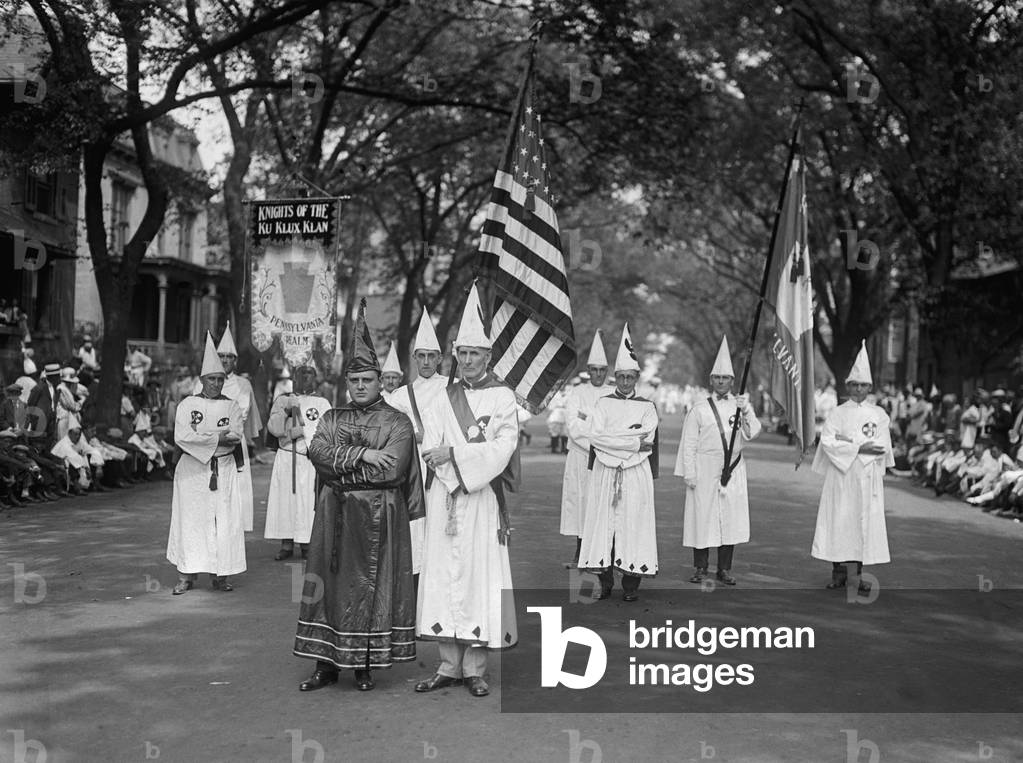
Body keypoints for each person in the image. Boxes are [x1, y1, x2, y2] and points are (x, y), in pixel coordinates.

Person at [294, 299, 425, 693]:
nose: (361, 386)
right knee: (327, 588)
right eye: (354, 381)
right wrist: (363, 453)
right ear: (347, 383)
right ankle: (325, 665)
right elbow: (317, 453)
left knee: (372, 588)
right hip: (335, 514)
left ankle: (364, 663)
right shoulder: (332, 417)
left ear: (379, 380)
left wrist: (342, 463)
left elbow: (394, 469)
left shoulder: (398, 421)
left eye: (367, 380)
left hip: (379, 515)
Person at [414, 284, 518, 699]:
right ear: (455, 355)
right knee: (443, 575)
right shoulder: (443, 396)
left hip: (480, 498)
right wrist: (450, 465)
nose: (470, 360)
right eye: (464, 353)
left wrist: (454, 458)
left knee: (478, 577)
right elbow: (429, 447)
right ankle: (447, 665)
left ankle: (475, 668)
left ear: (489, 356)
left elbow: (502, 449)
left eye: (477, 353)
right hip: (446, 499)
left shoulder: (503, 396)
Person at [578, 323, 660, 601]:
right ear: (616, 377)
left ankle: (630, 586)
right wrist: (632, 442)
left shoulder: (647, 407)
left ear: (636, 377)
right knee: (604, 526)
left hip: (636, 474)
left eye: (630, 377)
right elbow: (595, 437)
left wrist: (620, 442)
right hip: (605, 472)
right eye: (621, 377)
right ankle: (605, 582)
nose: (625, 382)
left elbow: (647, 441)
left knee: (632, 525)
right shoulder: (603, 403)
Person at [676, 336, 761, 586]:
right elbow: (689, 442)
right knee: (702, 517)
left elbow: (752, 432)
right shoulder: (700, 408)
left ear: (733, 381)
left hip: (733, 468)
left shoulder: (740, 406)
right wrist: (689, 472)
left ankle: (724, 569)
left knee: (729, 518)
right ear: (711, 380)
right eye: (718, 378)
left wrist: (746, 410)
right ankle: (701, 567)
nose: (722, 382)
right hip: (705, 467)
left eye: (726, 378)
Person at [166, 333, 246, 594]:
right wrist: (216, 437)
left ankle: (220, 575)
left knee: (221, 522)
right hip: (192, 471)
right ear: (202, 380)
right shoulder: (188, 405)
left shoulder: (231, 405)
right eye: (212, 379)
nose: (216, 384)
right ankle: (186, 574)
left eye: (220, 379)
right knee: (191, 520)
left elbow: (235, 436)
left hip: (222, 468)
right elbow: (183, 437)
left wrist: (207, 438)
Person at [811, 341, 893, 593]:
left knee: (860, 523)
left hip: (865, 477)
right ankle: (837, 572)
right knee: (839, 520)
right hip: (841, 476)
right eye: (855, 385)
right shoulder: (837, 413)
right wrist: (858, 447)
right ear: (848, 386)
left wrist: (850, 442)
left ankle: (855, 575)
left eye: (863, 385)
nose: (859, 389)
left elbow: (880, 446)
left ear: (870, 387)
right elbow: (827, 440)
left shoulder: (878, 414)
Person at [387, 308, 448, 578]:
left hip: (442, 464)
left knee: (441, 519)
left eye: (431, 356)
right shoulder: (399, 396)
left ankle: (439, 570)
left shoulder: (451, 388)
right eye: (421, 356)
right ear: (414, 358)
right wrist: (414, 435)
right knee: (415, 520)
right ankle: (415, 572)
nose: (425, 362)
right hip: (412, 466)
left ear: (439, 358)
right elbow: (390, 434)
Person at [193, 323, 262, 532]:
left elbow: (242, 414)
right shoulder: (202, 383)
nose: (225, 360)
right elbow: (195, 412)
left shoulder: (243, 384)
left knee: (235, 484)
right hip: (207, 441)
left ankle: (233, 526)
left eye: (229, 357)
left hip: (233, 439)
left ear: (235, 360)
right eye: (221, 356)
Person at [264, 363, 331, 561]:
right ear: (294, 376)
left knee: (306, 501)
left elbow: (328, 430)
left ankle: (306, 543)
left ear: (316, 376)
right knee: (285, 500)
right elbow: (274, 428)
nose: (305, 377)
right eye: (301, 373)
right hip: (286, 457)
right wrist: (287, 411)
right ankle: (286, 544)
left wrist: (303, 433)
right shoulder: (282, 400)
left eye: (309, 373)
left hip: (309, 459)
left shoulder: (323, 403)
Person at [560, 329, 611, 564]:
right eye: (594, 370)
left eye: (602, 370)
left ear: (607, 371)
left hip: (606, 458)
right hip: (580, 456)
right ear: (588, 370)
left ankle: (602, 554)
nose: (598, 374)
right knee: (580, 502)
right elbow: (573, 426)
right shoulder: (577, 392)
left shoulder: (613, 394)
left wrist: (591, 426)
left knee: (602, 504)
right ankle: (580, 553)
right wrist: (597, 435)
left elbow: (613, 428)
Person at [26, 363, 62, 447]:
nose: (59, 379)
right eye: (57, 376)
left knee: (48, 448)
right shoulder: (39, 388)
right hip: (39, 426)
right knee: (37, 447)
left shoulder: (56, 389)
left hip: (50, 425)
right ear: (51, 377)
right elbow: (30, 404)